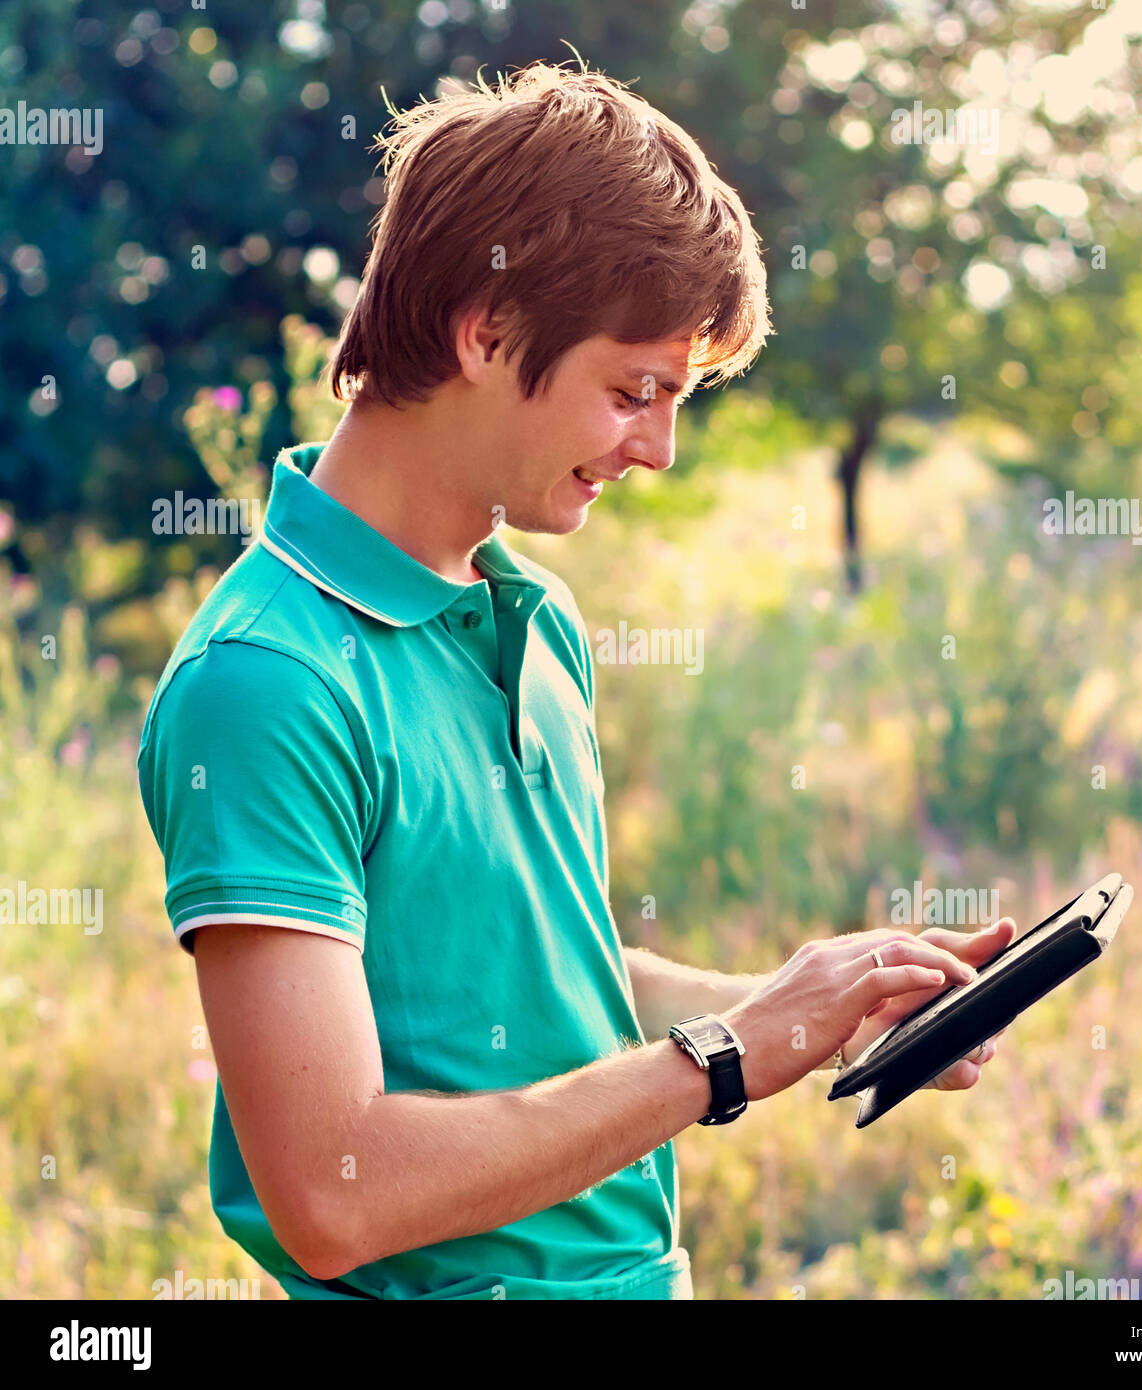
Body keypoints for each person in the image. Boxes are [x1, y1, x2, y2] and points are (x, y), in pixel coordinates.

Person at [136, 58, 1014, 1302]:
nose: (656, 448)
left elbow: (545, 978)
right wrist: (722, 1059)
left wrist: (814, 1013)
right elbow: (334, 1192)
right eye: (634, 392)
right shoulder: (264, 683)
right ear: (487, 332)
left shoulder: (533, 614)